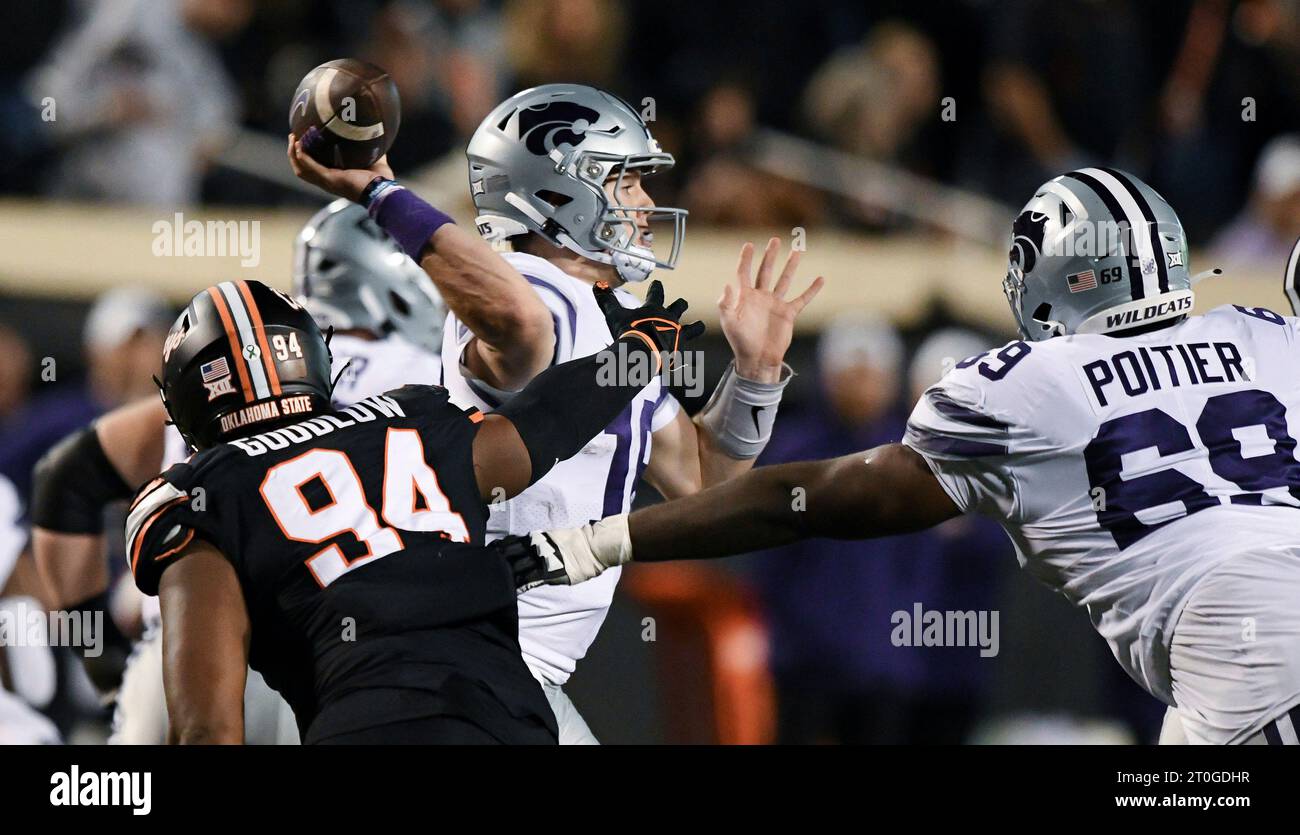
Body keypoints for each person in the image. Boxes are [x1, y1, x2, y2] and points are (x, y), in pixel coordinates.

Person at [528, 168, 1300, 746]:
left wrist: (606, 539)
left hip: (1250, 652)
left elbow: (812, 497)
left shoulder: (1027, 386)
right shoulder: (1266, 335)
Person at [287, 82, 823, 743]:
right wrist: (382, 193)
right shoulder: (546, 294)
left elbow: (708, 482)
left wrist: (756, 373)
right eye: (627, 183)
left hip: (490, 671)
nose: (648, 204)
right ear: (562, 189)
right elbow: (514, 315)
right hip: (470, 668)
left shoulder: (603, 326)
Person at [127, 277, 699, 744]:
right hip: (508, 718)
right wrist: (636, 354)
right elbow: (537, 429)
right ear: (312, 356)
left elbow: (207, 730)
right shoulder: (407, 420)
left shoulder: (195, 496)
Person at [31, 201, 447, 743]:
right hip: (331, 665)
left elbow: (64, 478)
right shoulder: (427, 374)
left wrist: (107, 664)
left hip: (176, 662)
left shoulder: (222, 370)